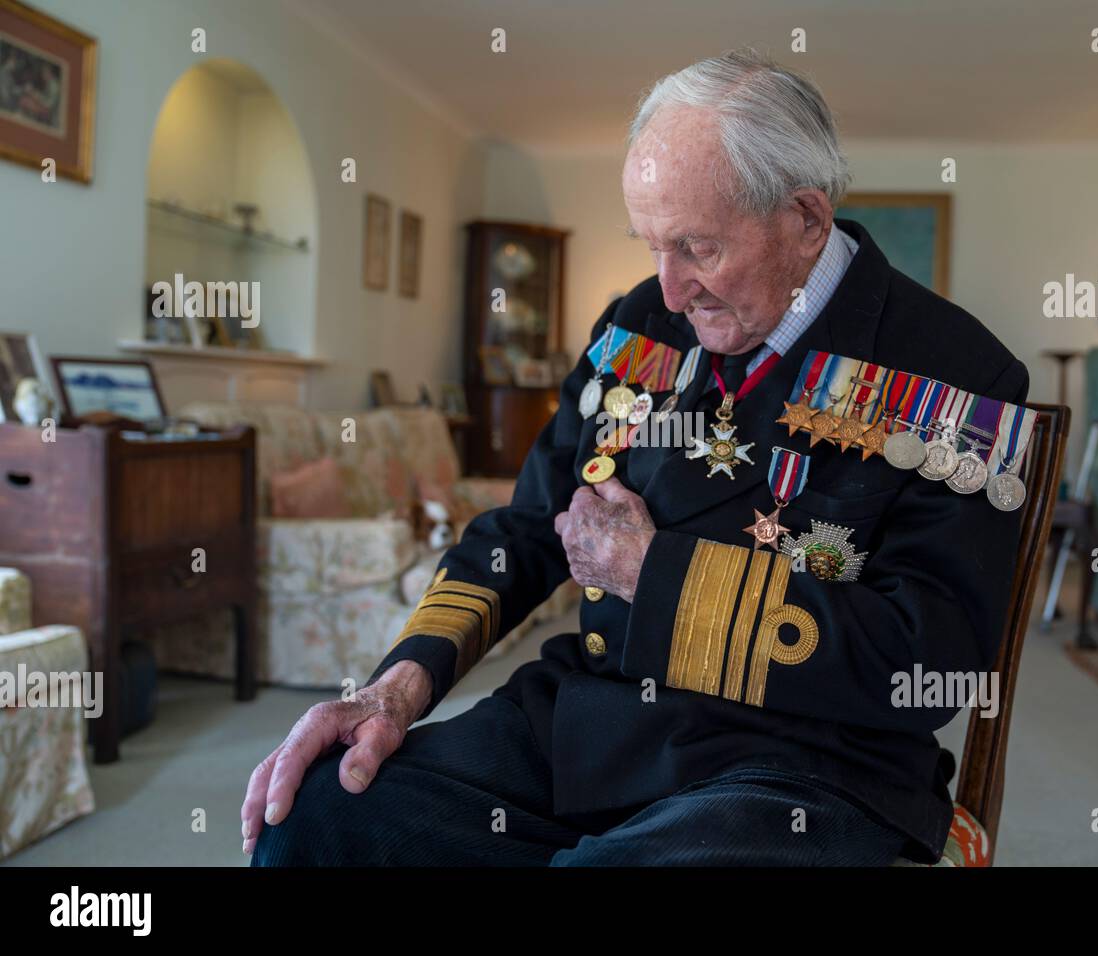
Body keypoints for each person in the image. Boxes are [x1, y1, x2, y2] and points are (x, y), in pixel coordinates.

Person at [242, 48, 1029, 867]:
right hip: (588, 721)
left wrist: (657, 576)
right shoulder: (640, 321)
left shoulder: (955, 371)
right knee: (314, 819)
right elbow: (527, 527)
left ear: (806, 218)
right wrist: (398, 686)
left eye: (698, 247)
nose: (670, 287)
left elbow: (929, 654)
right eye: (652, 245)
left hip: (798, 769)